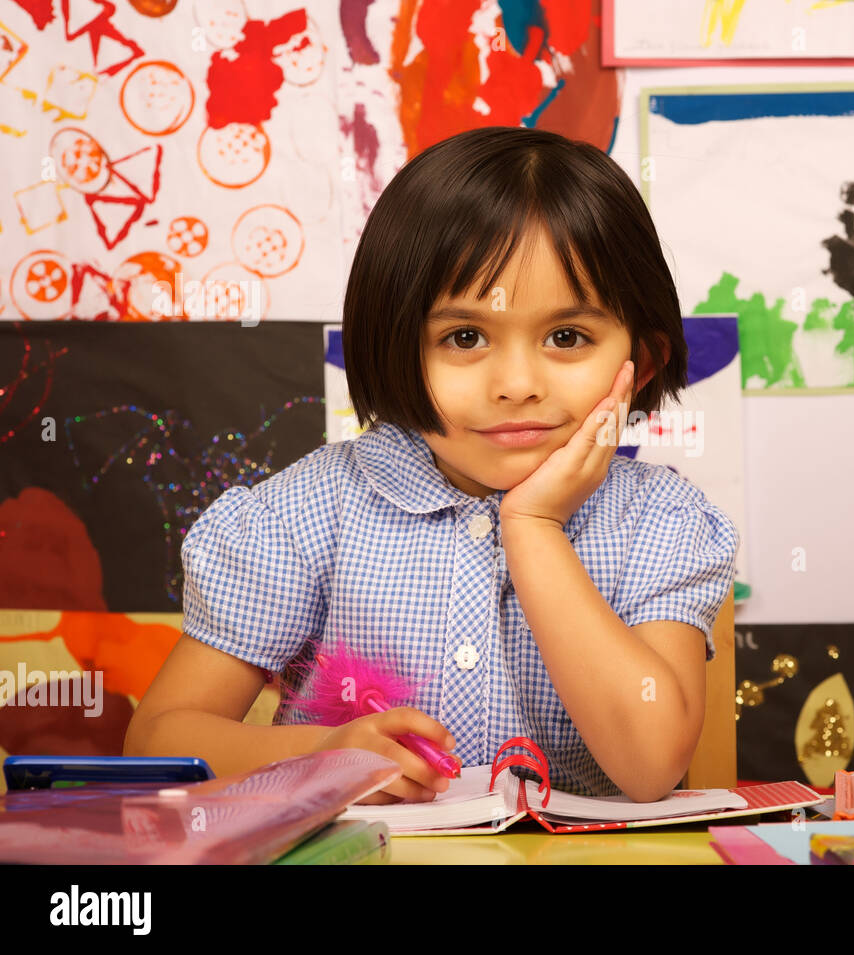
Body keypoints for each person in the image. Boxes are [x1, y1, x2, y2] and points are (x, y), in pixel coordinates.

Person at [124, 126, 739, 804]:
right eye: (464, 336)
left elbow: (650, 765)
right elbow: (158, 742)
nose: (516, 383)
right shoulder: (306, 513)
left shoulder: (661, 521)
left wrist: (534, 526)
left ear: (639, 363)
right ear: (397, 347)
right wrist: (321, 753)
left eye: (567, 337)